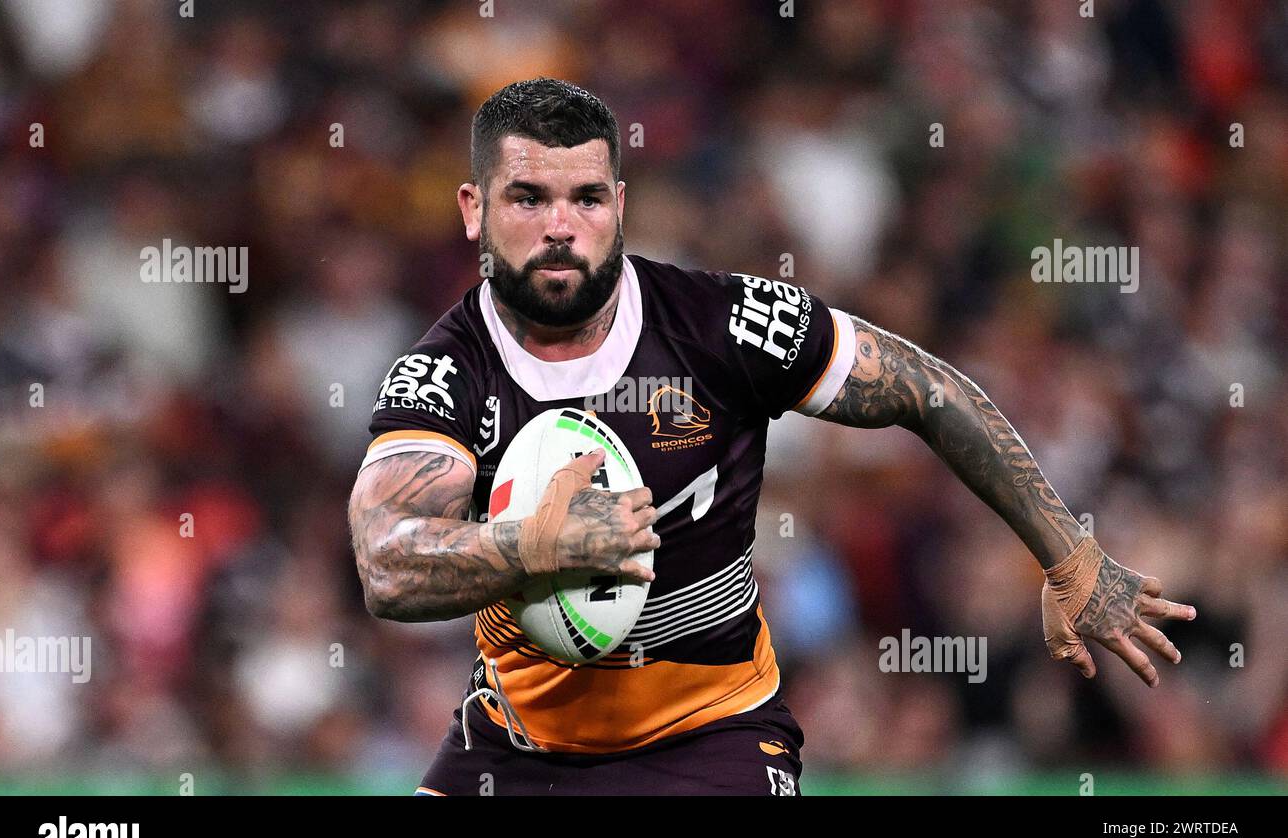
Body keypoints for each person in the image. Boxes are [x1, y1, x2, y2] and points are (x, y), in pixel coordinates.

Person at [346, 78, 1197, 796]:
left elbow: (928, 389)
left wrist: (1069, 555)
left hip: (711, 739)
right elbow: (385, 562)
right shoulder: (444, 374)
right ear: (474, 208)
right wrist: (535, 544)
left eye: (588, 197)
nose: (560, 226)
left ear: (621, 207)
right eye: (528, 198)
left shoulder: (725, 326)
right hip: (517, 751)